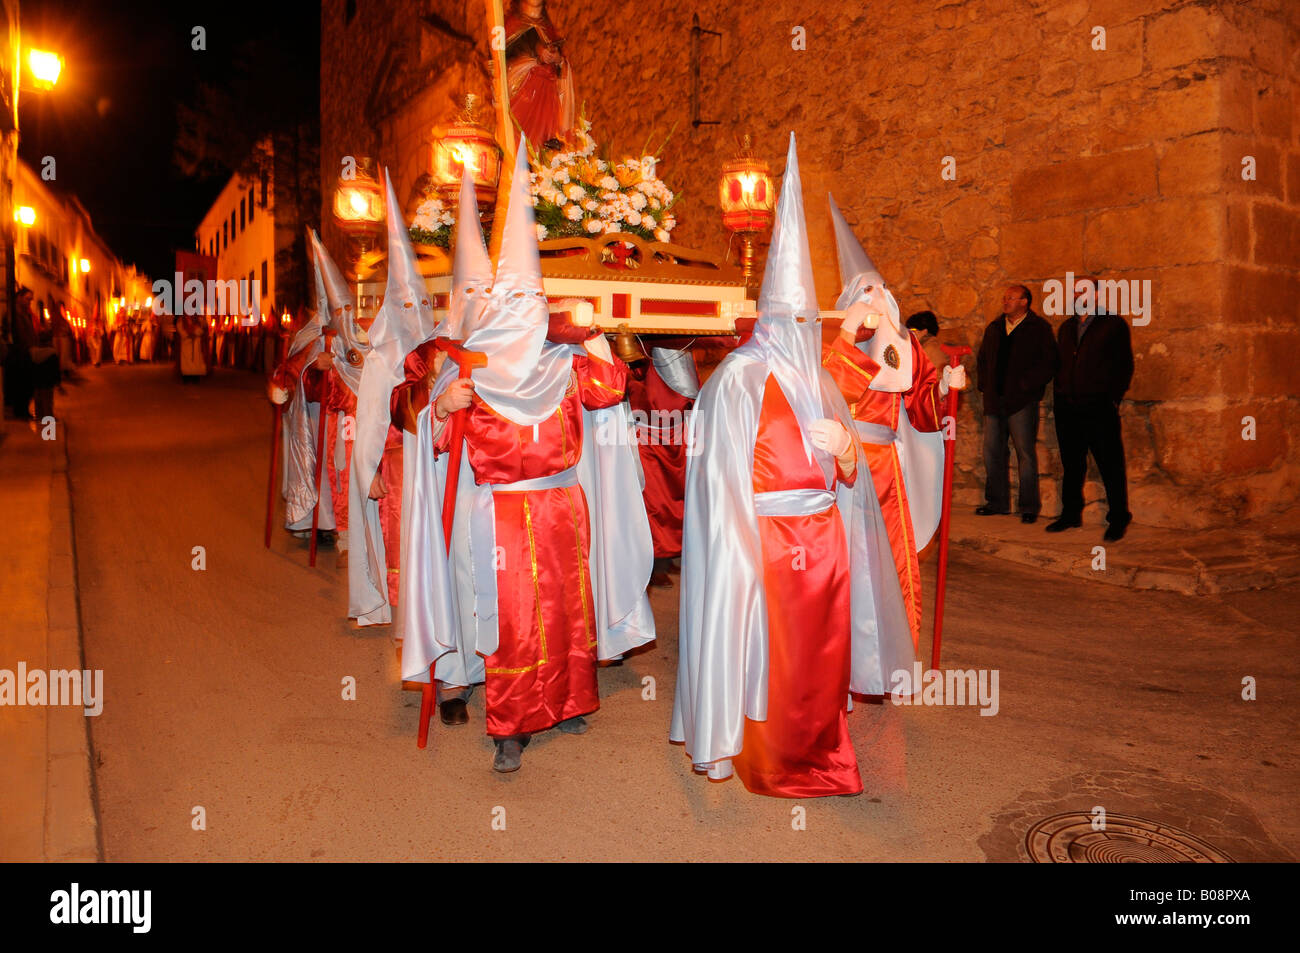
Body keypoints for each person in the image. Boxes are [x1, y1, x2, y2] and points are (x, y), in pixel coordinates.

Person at [671, 135, 913, 799]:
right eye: (789, 314)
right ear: (769, 316)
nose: (798, 325)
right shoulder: (738, 380)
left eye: (807, 315)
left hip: (825, 543)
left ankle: (822, 753)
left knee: (818, 658)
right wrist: (740, 553)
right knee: (772, 658)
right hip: (768, 544)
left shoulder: (821, 380)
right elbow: (720, 481)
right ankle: (770, 754)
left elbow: (850, 471)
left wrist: (845, 454)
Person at [420, 142, 650, 773]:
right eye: (512, 305)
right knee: (516, 618)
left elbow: (611, 391)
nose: (524, 318)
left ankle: (569, 700)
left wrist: (592, 332)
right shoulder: (473, 369)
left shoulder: (567, 366)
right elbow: (433, 443)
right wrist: (443, 410)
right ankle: (512, 724)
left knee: (569, 609)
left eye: (532, 305)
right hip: (503, 515)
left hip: (563, 504)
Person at [822, 197, 964, 649]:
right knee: (845, 557)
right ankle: (836, 646)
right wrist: (849, 334)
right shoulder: (831, 341)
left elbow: (918, 407)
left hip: (887, 469)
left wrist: (943, 388)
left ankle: (888, 645)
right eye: (866, 293)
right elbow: (831, 391)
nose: (877, 300)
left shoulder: (906, 347)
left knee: (891, 558)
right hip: (842, 466)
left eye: (881, 290)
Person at [1048, 275, 1134, 541]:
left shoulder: (1113, 324)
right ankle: (1071, 514)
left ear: (1097, 295)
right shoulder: (1066, 328)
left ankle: (1119, 518)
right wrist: (1060, 395)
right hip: (1067, 408)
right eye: (1075, 291)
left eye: (1083, 291)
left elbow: (1124, 365)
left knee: (1110, 465)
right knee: (1072, 466)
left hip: (1098, 407)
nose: (1077, 296)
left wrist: (1112, 398)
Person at [975, 284, 1057, 523]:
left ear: (1024, 302)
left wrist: (1027, 385)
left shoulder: (1038, 329)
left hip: (1021, 401)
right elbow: (983, 360)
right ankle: (997, 502)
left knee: (1025, 454)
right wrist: (985, 385)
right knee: (992, 452)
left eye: (1011, 298)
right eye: (1005, 297)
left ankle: (1029, 507)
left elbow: (1049, 362)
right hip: (994, 401)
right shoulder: (995, 328)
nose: (1006, 301)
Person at [626, 341, 698, 588]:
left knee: (677, 492)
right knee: (654, 498)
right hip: (650, 427)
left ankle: (668, 556)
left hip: (673, 422)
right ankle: (652, 562)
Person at [505, 0, 577, 147]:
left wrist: (557, 59)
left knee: (546, 141)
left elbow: (560, 62)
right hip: (523, 93)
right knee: (520, 140)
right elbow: (504, 57)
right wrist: (536, 56)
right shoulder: (512, 24)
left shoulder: (548, 27)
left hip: (548, 96)